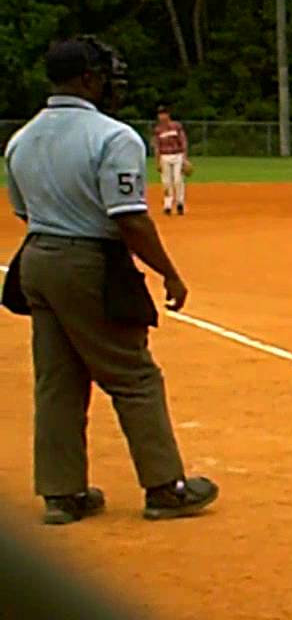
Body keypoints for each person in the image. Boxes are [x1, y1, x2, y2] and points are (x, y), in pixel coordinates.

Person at [2, 37, 218, 524]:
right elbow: (129, 217)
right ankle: (164, 487)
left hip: (37, 258)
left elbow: (22, 210)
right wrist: (169, 272)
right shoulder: (113, 137)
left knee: (57, 380)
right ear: (87, 79)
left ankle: (61, 494)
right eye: (103, 74)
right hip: (89, 261)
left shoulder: (22, 139)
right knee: (134, 375)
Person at [151, 105, 189, 215]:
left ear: (168, 115)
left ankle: (180, 203)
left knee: (178, 180)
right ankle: (167, 205)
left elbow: (183, 142)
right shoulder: (158, 130)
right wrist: (157, 161)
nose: (162, 116)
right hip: (164, 157)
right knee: (166, 182)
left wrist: (185, 158)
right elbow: (157, 147)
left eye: (164, 113)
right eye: (160, 114)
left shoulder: (176, 126)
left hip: (177, 155)